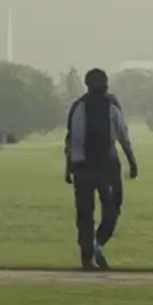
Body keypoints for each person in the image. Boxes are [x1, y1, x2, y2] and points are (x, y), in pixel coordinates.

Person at [64, 68, 137, 270]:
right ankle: (96, 246)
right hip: (107, 167)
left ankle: (88, 255)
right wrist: (132, 162)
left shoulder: (78, 107)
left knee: (85, 214)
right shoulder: (112, 106)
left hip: (82, 168)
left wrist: (68, 168)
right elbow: (123, 137)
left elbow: (71, 141)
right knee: (111, 211)